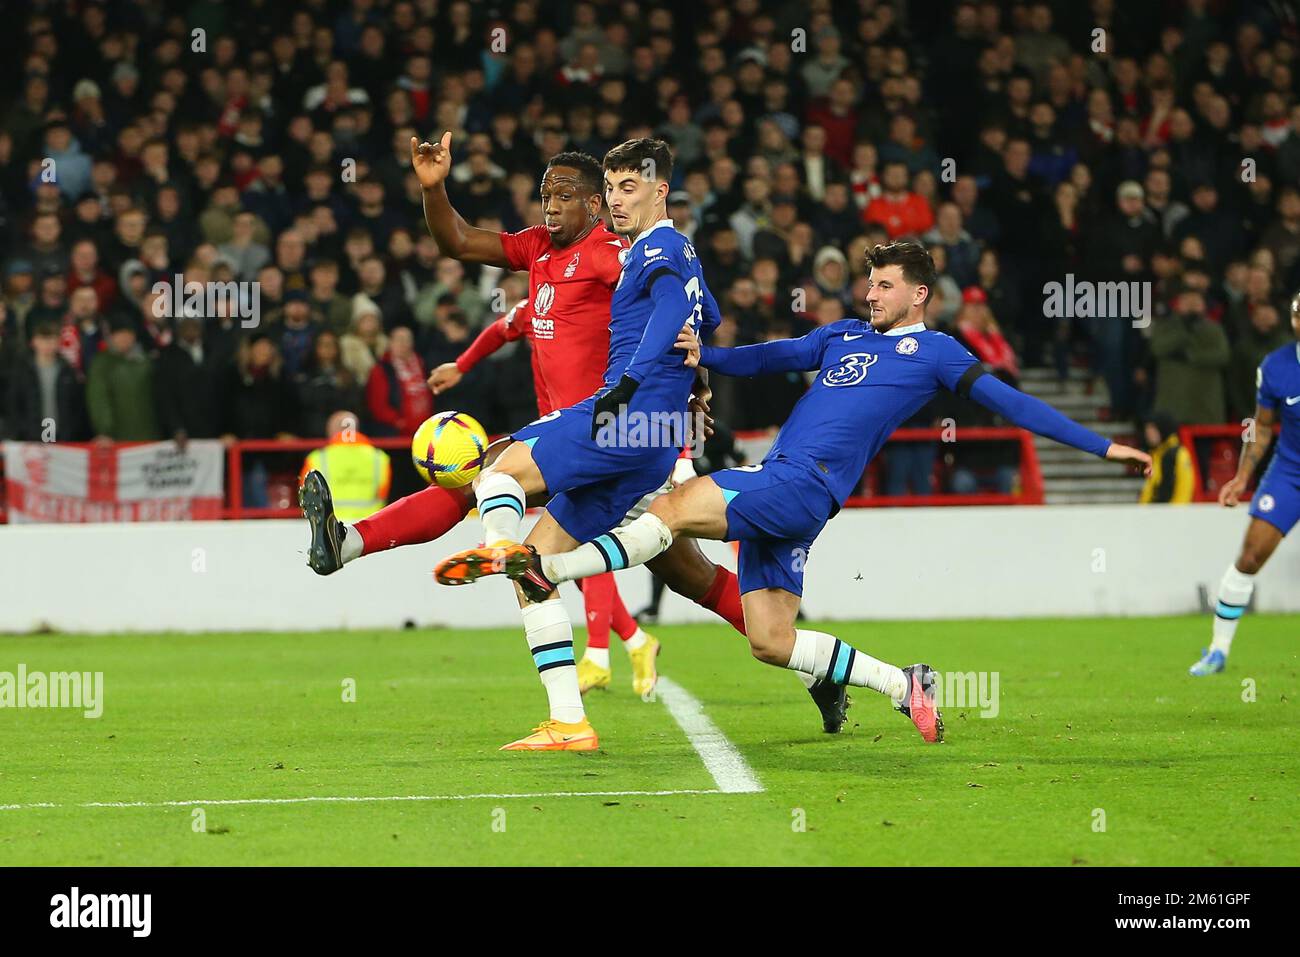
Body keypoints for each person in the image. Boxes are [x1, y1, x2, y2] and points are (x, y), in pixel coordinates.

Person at [452, 241, 1153, 744]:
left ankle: (547, 565)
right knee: (770, 640)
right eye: (869, 282)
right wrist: (706, 355)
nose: (870, 294)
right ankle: (905, 683)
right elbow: (770, 357)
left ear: (919, 295)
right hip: (790, 498)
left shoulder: (937, 351)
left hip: (798, 483)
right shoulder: (842, 335)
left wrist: (1101, 444)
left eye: (884, 286)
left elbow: (1011, 402)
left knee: (670, 506)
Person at [433, 138, 734, 751]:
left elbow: (681, 308)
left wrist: (637, 382)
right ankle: (570, 721)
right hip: (630, 432)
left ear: (655, 192)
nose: (550, 206)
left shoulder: (639, 251)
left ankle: (499, 550)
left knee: (494, 467)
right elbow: (708, 313)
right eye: (546, 195)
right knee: (620, 574)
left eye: (627, 189)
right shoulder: (601, 252)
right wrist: (699, 372)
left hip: (615, 422)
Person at [1189, 292, 1300, 676]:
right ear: (1295, 321)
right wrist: (1241, 477)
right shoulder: (1275, 366)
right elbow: (1262, 426)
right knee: (1250, 557)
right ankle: (1218, 650)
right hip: (1291, 472)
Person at [300, 410, 391, 520]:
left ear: (331, 431)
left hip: (329, 528)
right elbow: (382, 494)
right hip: (369, 527)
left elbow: (306, 498)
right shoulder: (380, 458)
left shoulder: (315, 459)